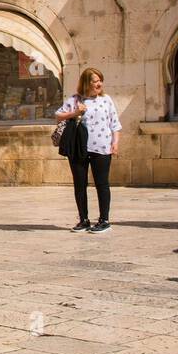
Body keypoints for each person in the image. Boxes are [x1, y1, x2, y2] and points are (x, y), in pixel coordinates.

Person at [55, 67, 121, 233]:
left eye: (100, 80)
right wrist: (76, 112)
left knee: (102, 184)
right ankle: (83, 219)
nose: (99, 84)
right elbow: (58, 115)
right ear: (86, 83)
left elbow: (115, 124)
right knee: (80, 184)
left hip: (102, 147)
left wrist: (116, 142)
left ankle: (104, 220)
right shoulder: (75, 99)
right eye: (95, 81)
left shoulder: (106, 100)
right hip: (79, 147)